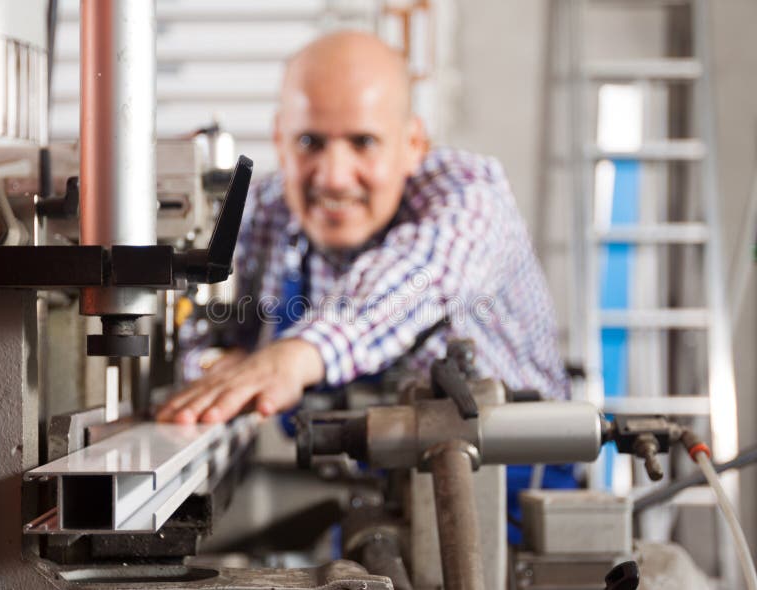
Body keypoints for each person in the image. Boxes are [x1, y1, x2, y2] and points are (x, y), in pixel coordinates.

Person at [156, 30, 569, 425]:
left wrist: (297, 356)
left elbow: (419, 277)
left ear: (413, 145)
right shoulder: (262, 211)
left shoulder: (468, 194)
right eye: (309, 142)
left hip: (522, 480)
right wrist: (214, 363)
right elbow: (194, 338)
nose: (334, 177)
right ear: (279, 139)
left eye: (363, 142)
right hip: (372, 478)